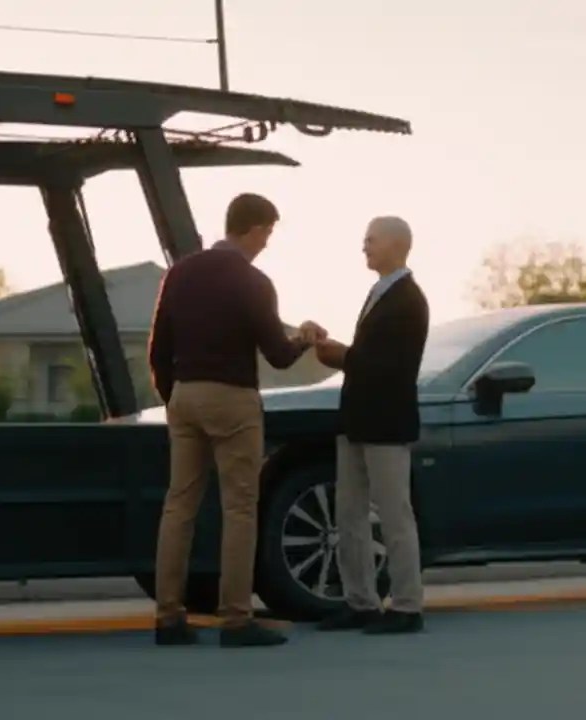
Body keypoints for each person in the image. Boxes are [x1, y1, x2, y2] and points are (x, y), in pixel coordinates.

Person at [148, 192, 326, 648]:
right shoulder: (252, 281)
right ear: (253, 228)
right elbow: (278, 355)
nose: (267, 242)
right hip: (232, 398)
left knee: (179, 506)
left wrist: (175, 398)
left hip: (184, 395)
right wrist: (304, 337)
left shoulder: (180, 273)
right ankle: (235, 619)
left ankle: (168, 617)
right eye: (267, 232)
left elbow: (157, 349)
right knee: (239, 508)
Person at [313, 215, 430, 635]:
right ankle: (360, 602)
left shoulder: (409, 300)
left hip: (386, 424)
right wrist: (343, 356)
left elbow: (394, 368)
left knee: (394, 515)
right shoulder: (380, 293)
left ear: (398, 245)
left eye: (372, 240)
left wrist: (341, 356)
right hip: (358, 421)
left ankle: (407, 605)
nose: (364, 246)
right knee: (349, 515)